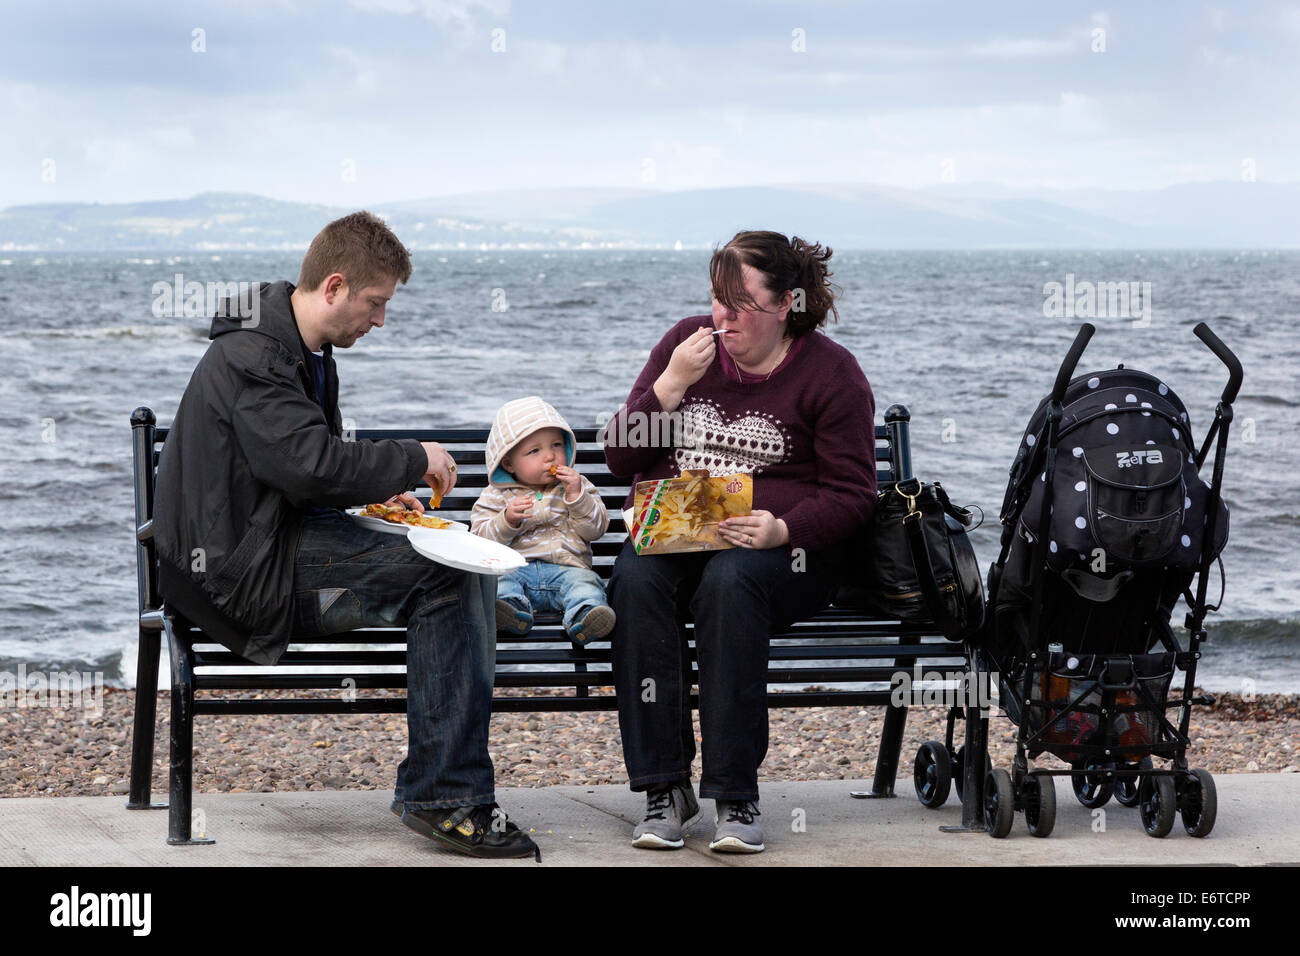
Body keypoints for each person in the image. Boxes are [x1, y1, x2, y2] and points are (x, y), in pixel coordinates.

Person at [152, 211, 538, 860]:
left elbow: (301, 470)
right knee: (447, 576)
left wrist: (375, 492)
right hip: (235, 579)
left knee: (448, 563)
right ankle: (448, 798)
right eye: (376, 303)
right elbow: (304, 464)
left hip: (261, 548)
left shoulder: (300, 348)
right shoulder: (256, 354)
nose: (381, 320)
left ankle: (471, 648)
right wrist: (411, 458)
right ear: (334, 286)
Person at [601, 230, 877, 853]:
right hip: (680, 532)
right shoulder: (684, 344)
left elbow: (854, 494)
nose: (721, 316)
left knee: (731, 584)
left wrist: (786, 529)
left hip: (782, 553)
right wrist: (669, 386)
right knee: (637, 581)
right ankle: (663, 788)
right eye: (716, 299)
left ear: (786, 304)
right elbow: (620, 458)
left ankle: (735, 794)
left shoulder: (831, 373)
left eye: (739, 302)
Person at [471, 396, 613, 643]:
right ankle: (512, 613)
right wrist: (506, 521)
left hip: (568, 569)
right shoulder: (497, 496)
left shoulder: (577, 486)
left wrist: (577, 498)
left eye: (556, 445)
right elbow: (478, 541)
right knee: (499, 584)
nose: (550, 456)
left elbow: (597, 529)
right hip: (517, 569)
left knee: (586, 584)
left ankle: (585, 617)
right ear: (508, 463)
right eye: (535, 450)